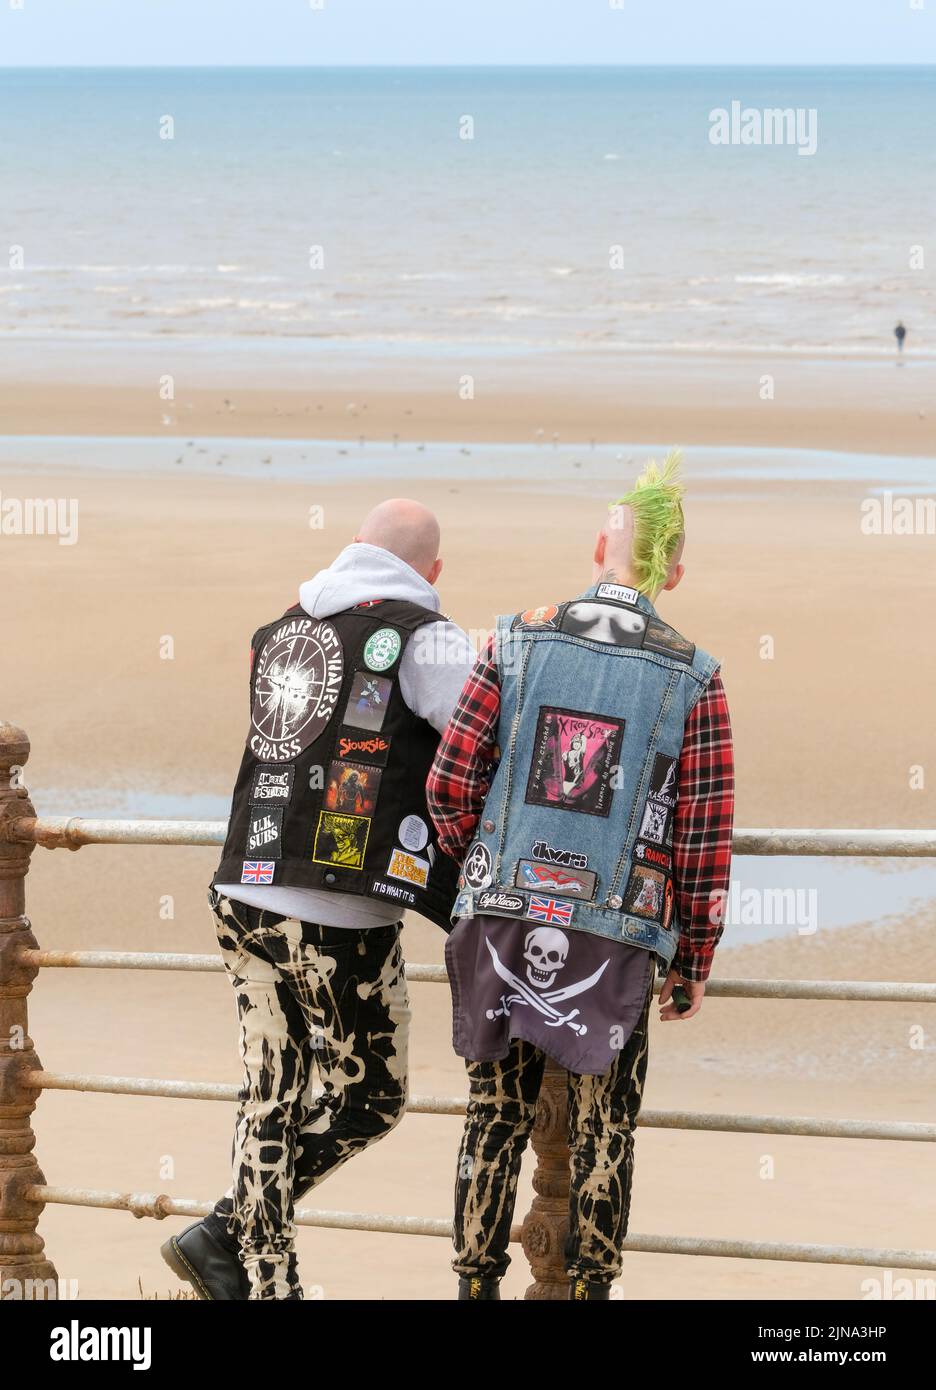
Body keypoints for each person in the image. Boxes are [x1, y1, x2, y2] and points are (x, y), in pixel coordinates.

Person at [427, 452, 735, 1300]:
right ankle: (592, 1291)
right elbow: (704, 838)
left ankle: (473, 1287)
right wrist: (696, 958)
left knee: (492, 1116)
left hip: (500, 915)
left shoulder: (513, 638)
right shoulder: (695, 676)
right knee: (607, 1134)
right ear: (674, 570)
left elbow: (450, 784)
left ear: (599, 543)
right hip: (617, 931)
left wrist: (487, 867)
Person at [161, 499, 475, 1300]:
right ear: (431, 572)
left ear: (353, 550)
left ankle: (261, 1278)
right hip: (338, 905)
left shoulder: (282, 627)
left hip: (241, 885)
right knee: (370, 1095)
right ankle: (229, 1232)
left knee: (271, 1090)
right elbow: (481, 736)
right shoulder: (424, 633)